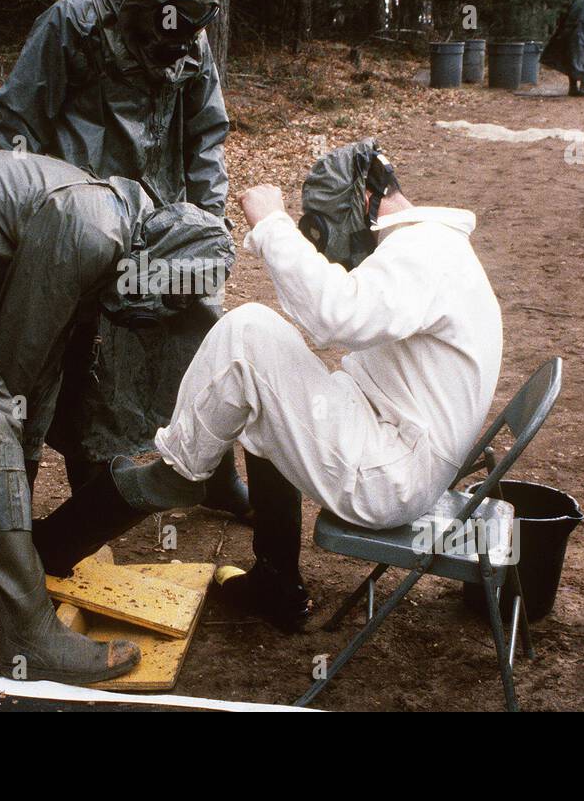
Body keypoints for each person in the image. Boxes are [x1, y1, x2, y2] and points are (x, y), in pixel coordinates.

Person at [31, 140, 504, 632]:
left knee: (248, 331)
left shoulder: (424, 251)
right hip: (399, 447)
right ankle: (276, 584)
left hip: (392, 473)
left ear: (365, 199)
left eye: (323, 227)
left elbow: (335, 314)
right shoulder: (432, 245)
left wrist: (274, 222)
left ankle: (160, 485)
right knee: (262, 377)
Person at [0, 150, 233, 683]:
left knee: (17, 409)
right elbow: (17, 363)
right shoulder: (94, 230)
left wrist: (25, 430)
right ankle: (30, 636)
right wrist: (9, 445)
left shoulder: (124, 223)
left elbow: (44, 365)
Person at [0, 0, 250, 521]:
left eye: (190, 27)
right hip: (77, 220)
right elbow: (17, 126)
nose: (178, 38)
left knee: (199, 335)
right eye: (168, 24)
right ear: (142, 2)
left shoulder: (191, 33)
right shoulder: (72, 23)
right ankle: (20, 515)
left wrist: (208, 224)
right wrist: (25, 222)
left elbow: (206, 136)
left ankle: (213, 472)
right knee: (52, 359)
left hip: (161, 218)